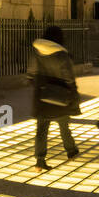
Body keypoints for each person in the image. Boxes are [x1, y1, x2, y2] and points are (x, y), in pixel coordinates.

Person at [29, 24, 80, 171]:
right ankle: (71, 151)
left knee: (41, 130)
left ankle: (39, 161)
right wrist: (73, 94)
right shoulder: (62, 55)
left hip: (41, 97)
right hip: (60, 97)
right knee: (64, 127)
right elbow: (69, 78)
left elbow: (31, 73)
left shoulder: (37, 53)